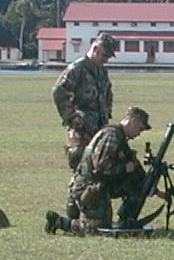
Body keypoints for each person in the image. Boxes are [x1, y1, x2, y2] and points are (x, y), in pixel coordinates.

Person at [45, 106, 151, 235]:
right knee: (96, 230)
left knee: (135, 183)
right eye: (140, 128)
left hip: (98, 185)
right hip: (89, 187)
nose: (139, 133)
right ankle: (58, 222)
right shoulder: (112, 136)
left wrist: (153, 189)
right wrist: (125, 168)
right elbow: (100, 167)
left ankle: (126, 220)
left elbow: (135, 169)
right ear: (133, 121)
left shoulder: (119, 136)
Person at [52, 33, 117, 215]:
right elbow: (59, 92)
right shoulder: (77, 69)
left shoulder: (101, 72)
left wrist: (106, 116)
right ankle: (73, 209)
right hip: (81, 131)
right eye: (104, 55)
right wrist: (71, 116)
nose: (105, 60)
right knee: (79, 168)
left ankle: (91, 208)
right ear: (95, 49)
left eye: (108, 57)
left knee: (95, 169)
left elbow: (107, 95)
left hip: (98, 129)